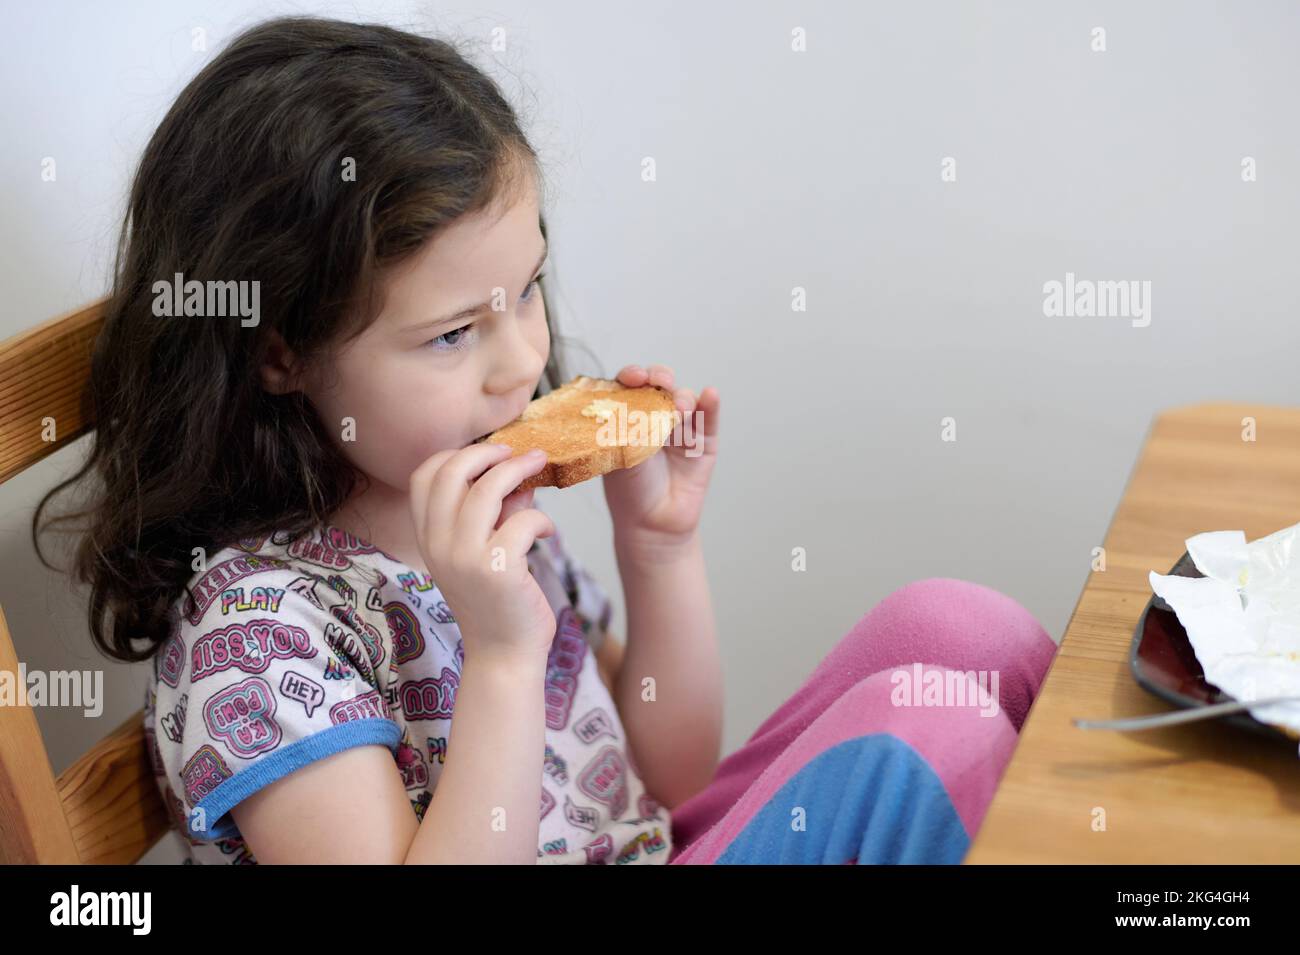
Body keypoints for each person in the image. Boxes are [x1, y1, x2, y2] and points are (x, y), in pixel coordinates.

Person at [33, 15, 1055, 865]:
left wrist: (659, 551)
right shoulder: (257, 644)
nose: (521, 358)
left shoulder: (495, 517)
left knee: (959, 632)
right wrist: (504, 658)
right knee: (931, 743)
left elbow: (665, 779)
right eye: (449, 334)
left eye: (525, 291)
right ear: (280, 353)